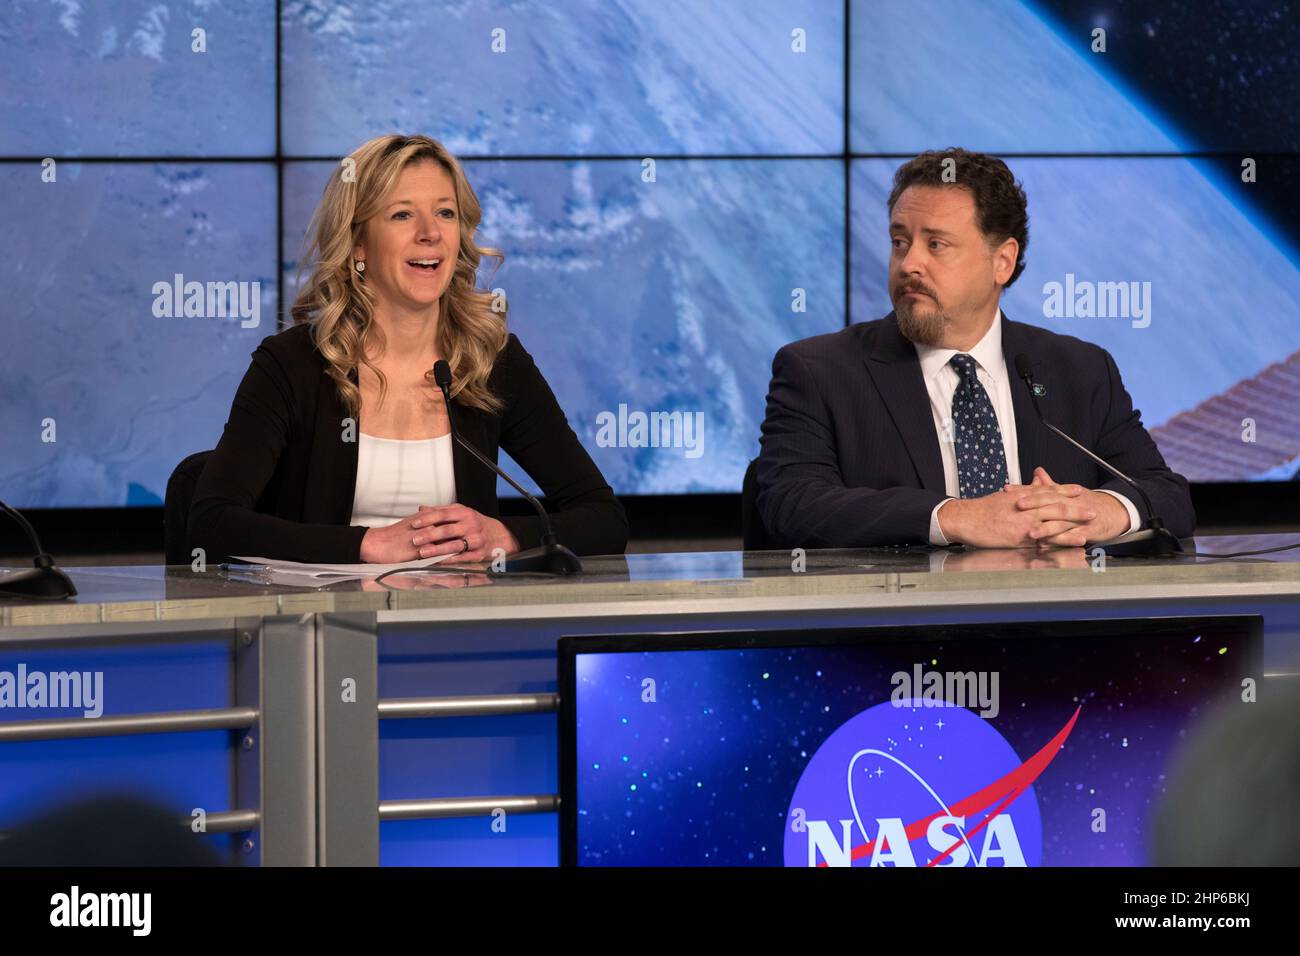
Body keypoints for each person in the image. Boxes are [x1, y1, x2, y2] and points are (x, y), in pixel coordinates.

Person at [189, 134, 627, 564]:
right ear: (358, 244)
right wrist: (366, 545)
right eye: (402, 215)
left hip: (455, 625)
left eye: (445, 213)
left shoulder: (491, 360)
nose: (430, 233)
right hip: (325, 626)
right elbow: (212, 523)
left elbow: (603, 518)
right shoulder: (292, 365)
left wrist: (504, 534)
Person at [756, 148, 1194, 550]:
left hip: (1057, 626)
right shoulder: (818, 371)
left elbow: (1167, 495)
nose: (909, 264)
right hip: (899, 627)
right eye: (899, 242)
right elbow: (791, 505)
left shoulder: (1080, 370)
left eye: (936, 244)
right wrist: (957, 517)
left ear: (1001, 261)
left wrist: (1099, 511)